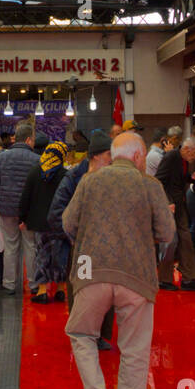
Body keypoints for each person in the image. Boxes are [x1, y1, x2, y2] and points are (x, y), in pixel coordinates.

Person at [63, 132, 175, 389]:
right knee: (134, 348)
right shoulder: (151, 186)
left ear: (114, 155)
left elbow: (68, 222)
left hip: (90, 270)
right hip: (136, 274)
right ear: (139, 157)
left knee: (80, 332)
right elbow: (166, 233)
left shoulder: (90, 181)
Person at [49, 129, 115, 350]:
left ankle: (99, 335)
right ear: (96, 155)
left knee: (106, 292)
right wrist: (75, 239)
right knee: (83, 292)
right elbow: (56, 213)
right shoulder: (73, 178)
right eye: (108, 154)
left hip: (107, 248)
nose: (112, 159)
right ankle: (84, 334)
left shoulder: (112, 178)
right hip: (81, 250)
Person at [0, 119, 40, 295]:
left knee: (10, 246)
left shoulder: (2, 157)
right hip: (30, 212)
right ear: (28, 140)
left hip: (6, 209)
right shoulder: (38, 160)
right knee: (31, 246)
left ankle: (9, 284)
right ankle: (33, 284)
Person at [19, 141, 71, 303]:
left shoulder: (35, 172)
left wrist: (23, 218)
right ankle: (61, 289)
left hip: (39, 222)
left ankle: (42, 291)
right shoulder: (65, 175)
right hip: (60, 223)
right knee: (60, 255)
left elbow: (25, 197)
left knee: (41, 254)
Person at [154, 137, 195, 291]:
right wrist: (168, 201)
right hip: (168, 205)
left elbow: (179, 178)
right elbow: (159, 180)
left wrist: (191, 178)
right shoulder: (171, 157)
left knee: (186, 240)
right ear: (187, 149)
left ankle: (189, 278)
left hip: (179, 205)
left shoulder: (184, 161)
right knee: (171, 241)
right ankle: (164, 279)